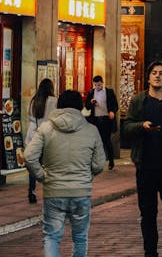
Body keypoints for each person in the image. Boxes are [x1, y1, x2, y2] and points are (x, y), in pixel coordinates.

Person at [24, 90, 105, 257]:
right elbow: (99, 164)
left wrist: (42, 176)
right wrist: (86, 175)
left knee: (51, 236)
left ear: (59, 105)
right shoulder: (91, 130)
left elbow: (29, 156)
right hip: (81, 191)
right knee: (80, 237)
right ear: (81, 107)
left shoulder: (46, 128)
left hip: (54, 190)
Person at [122, 61, 162, 257]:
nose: (157, 76)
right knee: (147, 213)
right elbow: (127, 126)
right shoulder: (139, 101)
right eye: (154, 73)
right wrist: (142, 126)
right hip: (146, 165)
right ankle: (151, 252)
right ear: (148, 77)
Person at [25, 78, 57, 203]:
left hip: (33, 135)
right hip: (48, 135)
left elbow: (29, 115)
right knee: (50, 166)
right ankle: (50, 192)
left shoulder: (33, 100)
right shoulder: (54, 101)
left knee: (34, 165)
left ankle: (31, 191)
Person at [85, 75, 118, 170]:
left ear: (102, 83)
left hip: (106, 119)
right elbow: (87, 106)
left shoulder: (109, 92)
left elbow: (115, 104)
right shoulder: (91, 92)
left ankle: (111, 160)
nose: (98, 85)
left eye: (99, 83)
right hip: (95, 119)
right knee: (95, 141)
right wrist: (91, 102)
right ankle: (95, 161)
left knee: (106, 140)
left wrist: (112, 111)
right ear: (94, 84)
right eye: (96, 84)